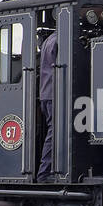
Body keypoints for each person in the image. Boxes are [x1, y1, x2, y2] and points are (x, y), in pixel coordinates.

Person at [37, 26, 58, 179]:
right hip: (54, 93)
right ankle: (44, 173)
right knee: (55, 131)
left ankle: (46, 171)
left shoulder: (49, 39)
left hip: (46, 92)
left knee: (53, 131)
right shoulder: (59, 40)